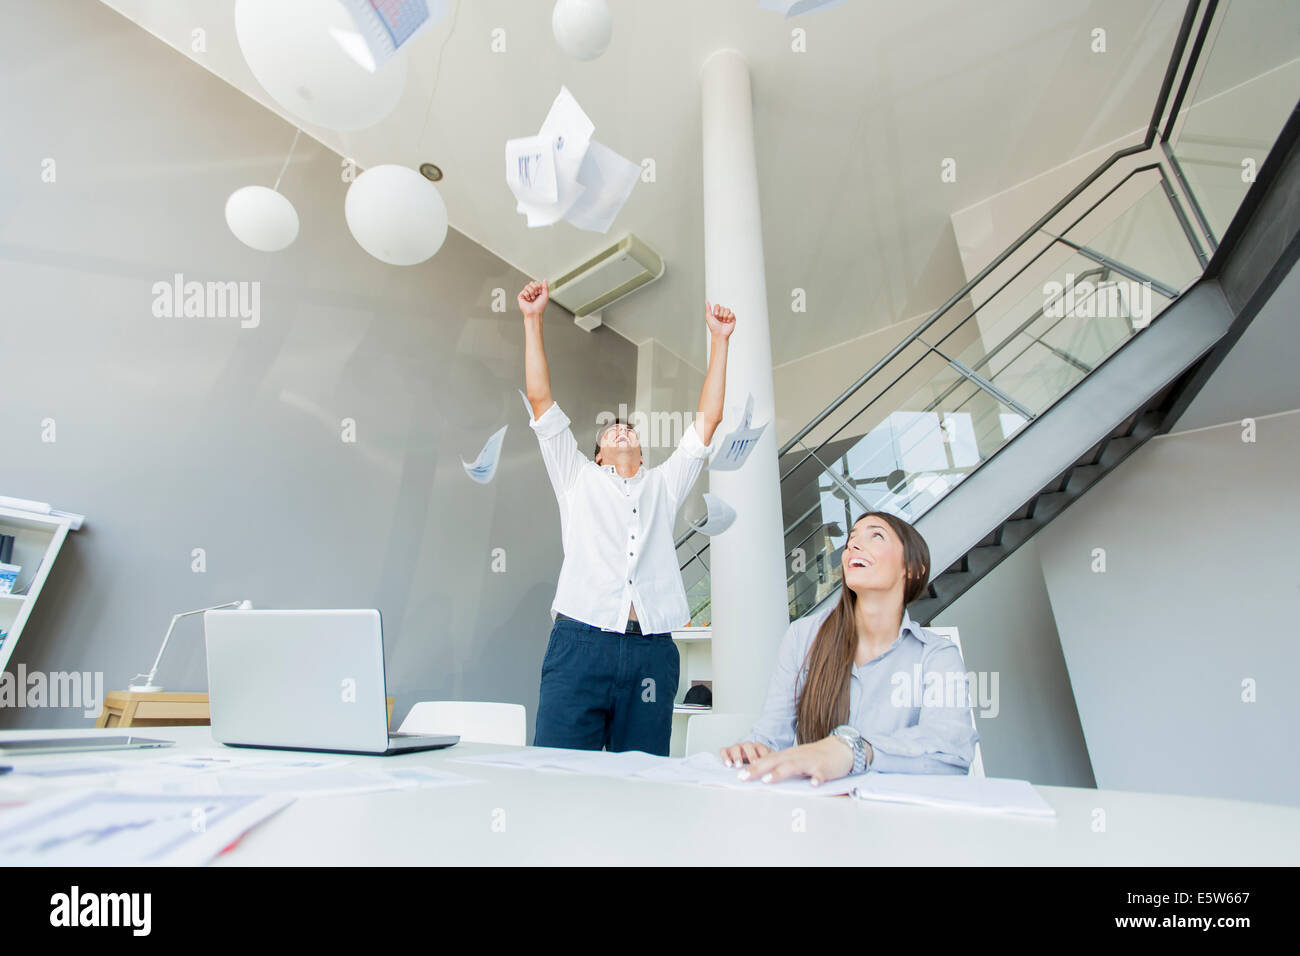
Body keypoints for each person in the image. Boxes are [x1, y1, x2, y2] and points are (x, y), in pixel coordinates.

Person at [518, 277, 735, 755]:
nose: (620, 432)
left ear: (641, 450)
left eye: (628, 431)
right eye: (610, 432)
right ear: (596, 456)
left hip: (651, 653)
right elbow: (540, 402)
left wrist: (719, 342)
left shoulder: (663, 483)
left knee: (642, 785)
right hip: (579, 644)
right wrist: (533, 321)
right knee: (559, 776)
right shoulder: (577, 478)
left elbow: (708, 421)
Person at [721, 510, 978, 785]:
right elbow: (772, 733)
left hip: (900, 819)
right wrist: (752, 749)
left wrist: (854, 750)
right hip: (819, 812)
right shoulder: (802, 637)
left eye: (876, 535)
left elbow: (952, 749)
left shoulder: (937, 656)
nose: (853, 544)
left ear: (913, 569)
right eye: (851, 539)